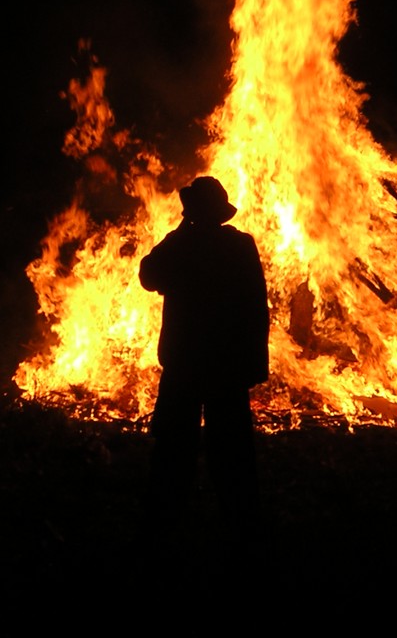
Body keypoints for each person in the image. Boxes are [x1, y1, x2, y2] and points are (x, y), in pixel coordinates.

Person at [138, 175, 270, 546]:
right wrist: (255, 363)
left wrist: (179, 233)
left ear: (192, 212)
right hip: (227, 365)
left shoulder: (182, 244)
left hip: (185, 362)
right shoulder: (241, 245)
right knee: (232, 449)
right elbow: (257, 306)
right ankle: (241, 524)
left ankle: (162, 522)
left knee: (173, 448)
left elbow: (149, 276)